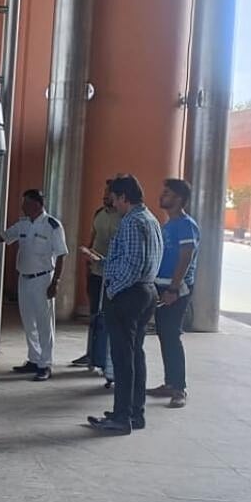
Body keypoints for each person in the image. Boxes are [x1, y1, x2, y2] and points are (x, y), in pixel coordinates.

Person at [87, 174, 162, 435]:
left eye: (114, 198)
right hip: (146, 292)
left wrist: (112, 290)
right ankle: (133, 412)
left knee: (122, 358)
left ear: (124, 197)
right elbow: (136, 259)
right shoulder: (149, 219)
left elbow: (132, 266)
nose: (111, 202)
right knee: (134, 354)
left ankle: (121, 417)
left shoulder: (131, 222)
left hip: (129, 294)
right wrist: (105, 263)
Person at [0, 189, 68, 381]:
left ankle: (45, 364)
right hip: (24, 278)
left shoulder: (52, 225)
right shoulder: (23, 224)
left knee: (44, 323)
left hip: (43, 279)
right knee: (28, 321)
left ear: (37, 204)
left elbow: (61, 255)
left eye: (26, 203)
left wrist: (56, 282)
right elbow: (3, 237)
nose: (22, 206)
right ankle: (34, 359)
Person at [146, 178, 200, 409]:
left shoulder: (186, 225)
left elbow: (185, 257)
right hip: (161, 285)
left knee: (171, 335)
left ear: (178, 198)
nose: (162, 196)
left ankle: (179, 388)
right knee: (165, 335)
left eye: (167, 193)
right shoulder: (168, 224)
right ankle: (170, 383)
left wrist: (174, 288)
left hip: (175, 288)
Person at [72, 180, 121, 375]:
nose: (105, 195)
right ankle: (91, 353)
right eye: (104, 191)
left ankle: (106, 358)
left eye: (109, 193)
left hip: (114, 274)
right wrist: (87, 264)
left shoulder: (125, 218)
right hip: (96, 271)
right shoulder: (98, 214)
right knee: (94, 315)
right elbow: (93, 239)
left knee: (110, 317)